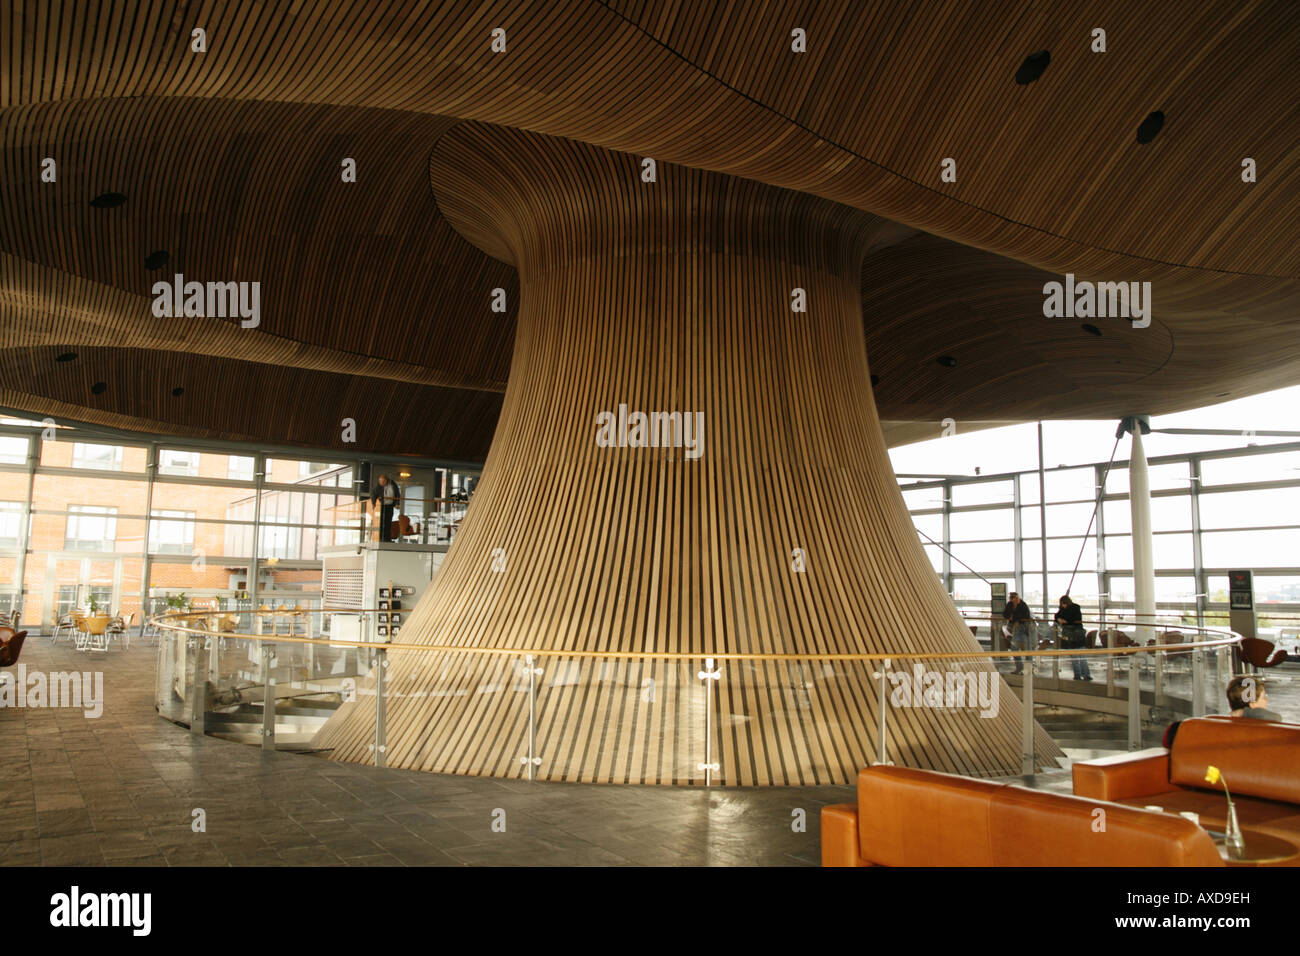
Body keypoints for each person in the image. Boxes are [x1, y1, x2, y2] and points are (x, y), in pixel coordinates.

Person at [1054, 595, 1091, 681]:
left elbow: (1076, 618)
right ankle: (1080, 675)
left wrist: (1064, 621)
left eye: (1064, 604)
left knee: (1080, 656)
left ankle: (1084, 675)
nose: (1063, 605)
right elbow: (1056, 616)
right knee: (1076, 656)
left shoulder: (1075, 608)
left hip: (1075, 634)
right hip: (1073, 634)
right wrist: (1060, 619)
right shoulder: (1065, 609)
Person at [1001, 591, 1034, 675]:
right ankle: (1020, 668)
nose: (1014, 601)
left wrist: (1013, 617)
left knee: (1028, 649)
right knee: (1014, 647)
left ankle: (1028, 669)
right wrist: (1012, 617)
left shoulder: (1023, 605)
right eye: (1012, 599)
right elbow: (1005, 614)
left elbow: (1026, 615)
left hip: (1024, 629)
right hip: (1015, 630)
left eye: (1015, 598)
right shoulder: (1010, 604)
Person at [369, 473, 402, 542]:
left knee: (388, 522)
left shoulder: (392, 484)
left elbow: (397, 494)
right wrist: (373, 503)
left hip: (390, 506)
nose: (381, 483)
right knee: (381, 522)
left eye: (383, 482)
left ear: (386, 480)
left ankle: (387, 538)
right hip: (382, 506)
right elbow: (373, 493)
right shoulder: (378, 486)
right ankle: (380, 538)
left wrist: (397, 503)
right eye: (380, 482)